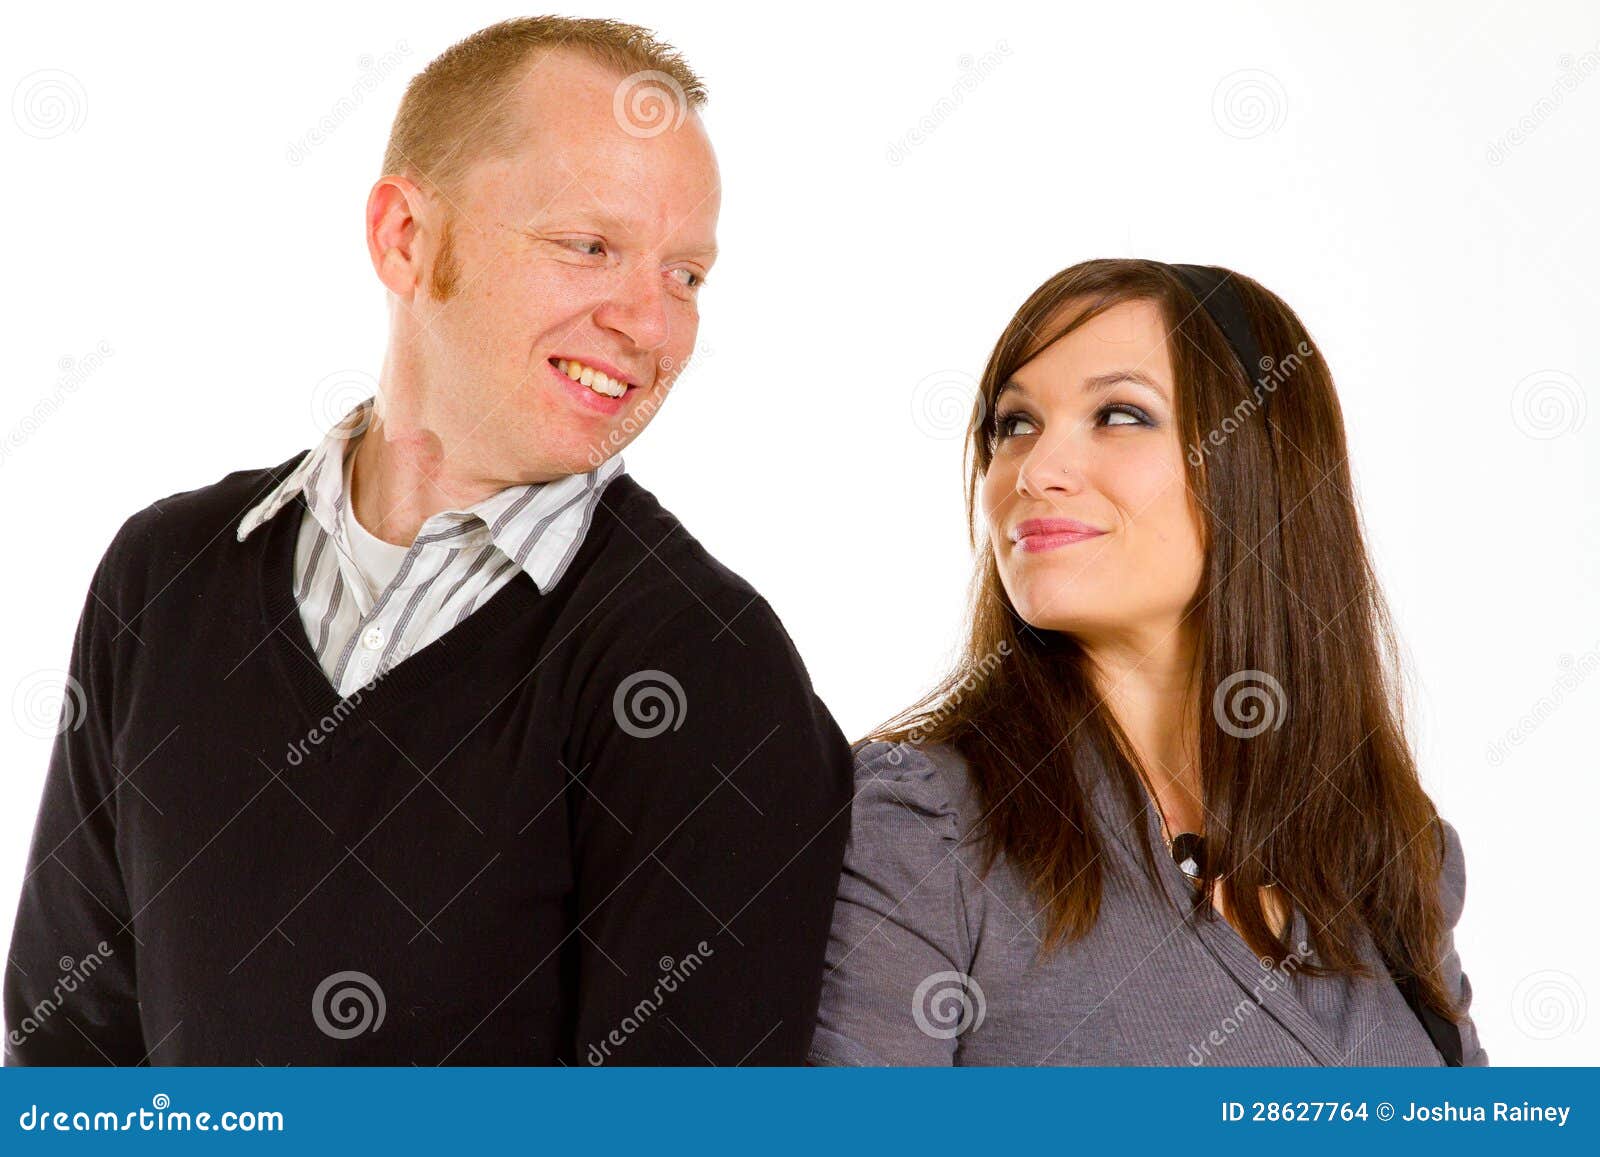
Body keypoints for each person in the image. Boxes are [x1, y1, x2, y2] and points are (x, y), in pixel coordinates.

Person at [4, 16, 851, 1066]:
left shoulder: (708, 666)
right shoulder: (165, 574)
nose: (652, 324)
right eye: (589, 246)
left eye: (685, 274)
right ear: (405, 236)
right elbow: (70, 1049)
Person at [810, 259, 1488, 1066]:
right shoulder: (927, 830)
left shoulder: (1391, 851)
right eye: (1013, 424)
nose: (1033, 471)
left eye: (1120, 415)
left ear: (1260, 466)